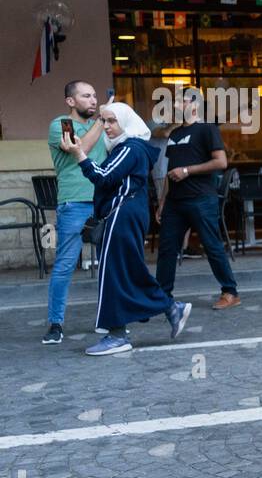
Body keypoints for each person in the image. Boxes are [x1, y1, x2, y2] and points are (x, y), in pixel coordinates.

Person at [60, 102, 192, 356]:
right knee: (125, 271)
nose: (107, 127)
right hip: (126, 214)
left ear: (125, 121)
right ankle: (169, 308)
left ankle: (118, 334)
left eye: (111, 121)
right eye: (104, 121)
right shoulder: (130, 147)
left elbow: (103, 176)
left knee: (114, 274)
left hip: (122, 214)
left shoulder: (130, 147)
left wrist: (80, 155)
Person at [154, 91, 240, 310]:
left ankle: (230, 292)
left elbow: (221, 162)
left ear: (194, 105)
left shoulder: (207, 129)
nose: (175, 104)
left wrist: (187, 170)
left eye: (181, 101)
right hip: (174, 201)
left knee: (212, 246)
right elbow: (168, 171)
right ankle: (162, 297)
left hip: (201, 199)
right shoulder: (173, 134)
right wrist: (162, 201)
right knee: (166, 249)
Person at [42, 81, 108, 345]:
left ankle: (110, 319)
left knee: (110, 263)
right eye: (86, 96)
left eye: (94, 95)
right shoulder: (61, 124)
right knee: (66, 265)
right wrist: (102, 120)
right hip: (74, 203)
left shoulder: (102, 125)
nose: (93, 100)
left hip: (103, 201)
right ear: (71, 101)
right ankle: (55, 324)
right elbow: (82, 149)